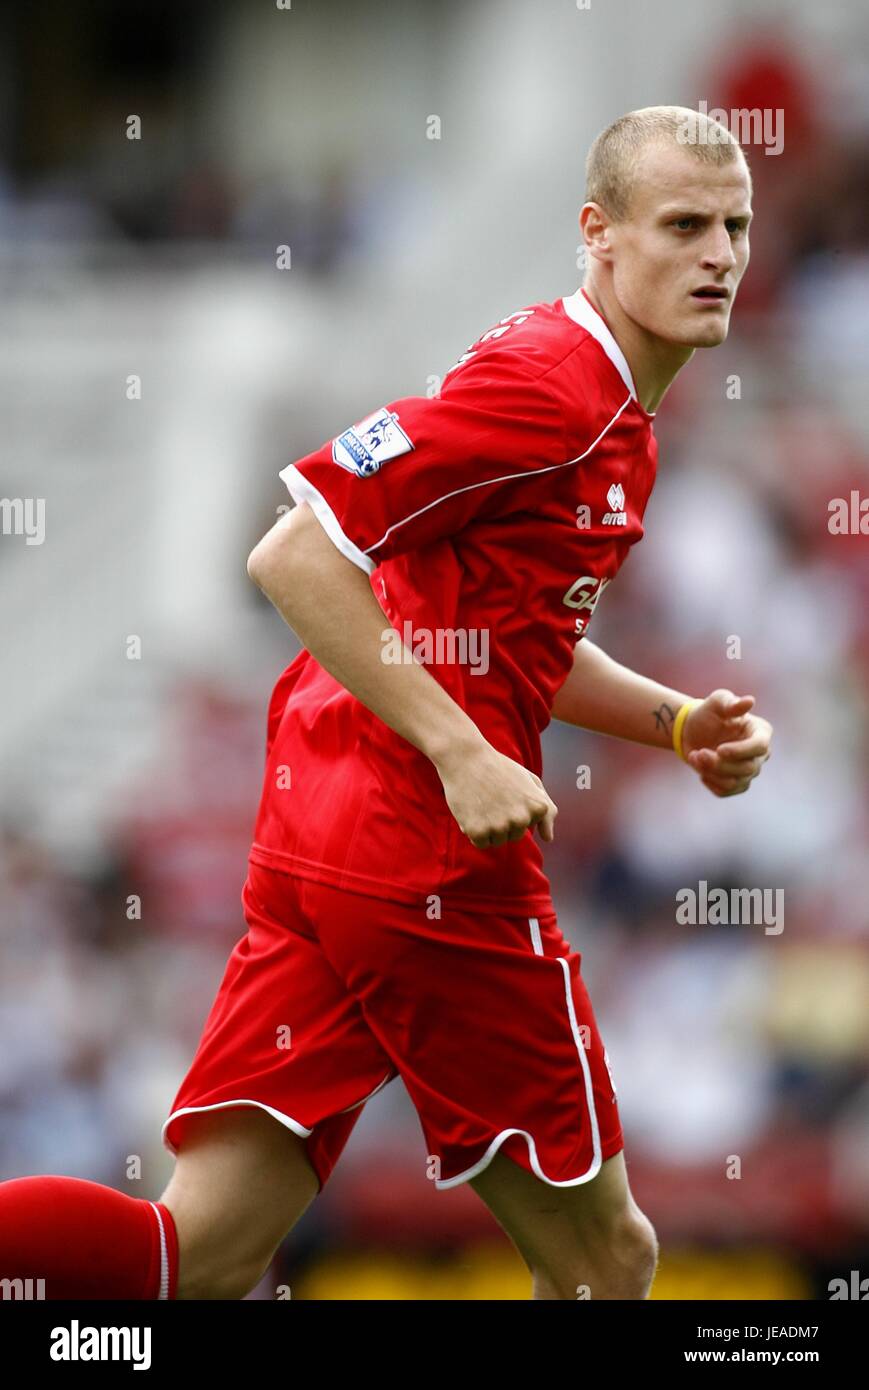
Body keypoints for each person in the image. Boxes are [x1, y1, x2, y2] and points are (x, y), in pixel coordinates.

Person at [0, 105, 772, 1301]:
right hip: (420, 852)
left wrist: (672, 723)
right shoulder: (551, 392)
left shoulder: (607, 405)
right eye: (683, 224)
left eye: (733, 225)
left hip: (327, 829)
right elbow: (292, 559)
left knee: (196, 1256)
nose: (718, 253)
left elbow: (498, 638)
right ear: (598, 235)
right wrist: (461, 753)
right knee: (605, 1258)